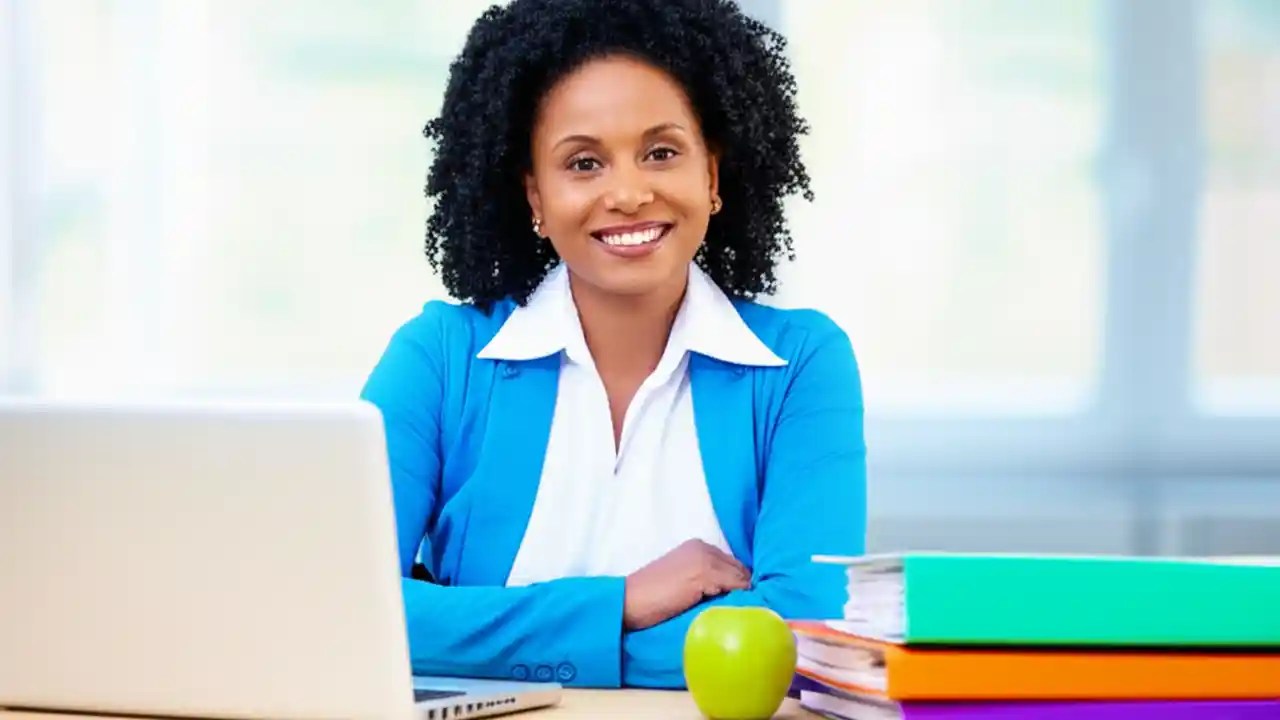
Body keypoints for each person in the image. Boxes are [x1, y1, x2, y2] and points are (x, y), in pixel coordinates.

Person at [360, 0, 866, 689]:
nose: (628, 193)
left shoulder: (801, 365)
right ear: (534, 196)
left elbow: (803, 631)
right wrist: (622, 602)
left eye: (661, 152)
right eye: (584, 163)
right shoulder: (440, 360)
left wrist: (485, 633)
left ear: (711, 177)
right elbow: (351, 610)